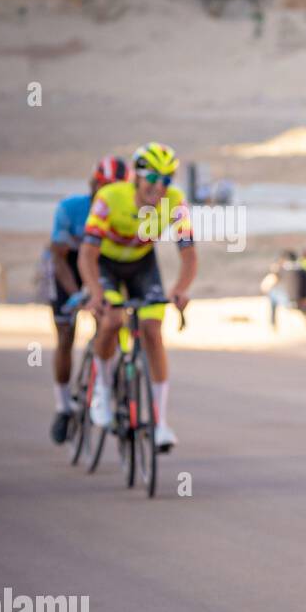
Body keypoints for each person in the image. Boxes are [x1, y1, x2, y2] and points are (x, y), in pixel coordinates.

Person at [78, 142, 196, 451]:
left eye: (167, 180)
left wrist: (181, 288)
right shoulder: (109, 199)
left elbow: (189, 255)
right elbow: (87, 255)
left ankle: (159, 423)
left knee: (153, 332)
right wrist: (96, 293)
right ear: (136, 177)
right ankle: (103, 390)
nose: (159, 187)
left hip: (142, 266)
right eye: (153, 178)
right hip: (106, 266)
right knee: (113, 319)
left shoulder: (174, 202)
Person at [46, 156, 128, 442]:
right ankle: (63, 407)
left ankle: (109, 391)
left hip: (98, 267)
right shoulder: (70, 208)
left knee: (112, 324)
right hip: (67, 268)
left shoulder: (121, 211)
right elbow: (58, 256)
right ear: (93, 184)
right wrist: (75, 295)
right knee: (66, 334)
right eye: (105, 187)